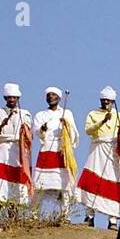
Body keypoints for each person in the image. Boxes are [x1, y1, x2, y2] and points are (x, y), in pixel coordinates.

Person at [74, 87, 120, 230]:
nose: (106, 102)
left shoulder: (119, 116)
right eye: (103, 100)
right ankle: (89, 217)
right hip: (97, 149)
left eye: (108, 100)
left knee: (114, 183)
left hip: (113, 152)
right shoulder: (93, 114)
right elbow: (88, 130)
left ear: (112, 101)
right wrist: (103, 121)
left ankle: (112, 221)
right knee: (91, 181)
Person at [0, 84, 33, 218]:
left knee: (14, 186)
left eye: (14, 97)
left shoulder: (25, 114)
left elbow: (29, 135)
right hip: (0, 150)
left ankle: (13, 219)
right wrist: (3, 123)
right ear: (5, 98)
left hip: (17, 152)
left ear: (18, 98)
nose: (11, 100)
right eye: (9, 97)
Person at [33, 87, 78, 219]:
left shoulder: (66, 113)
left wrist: (66, 125)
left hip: (62, 150)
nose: (50, 97)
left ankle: (65, 215)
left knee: (64, 184)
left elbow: (74, 133)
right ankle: (34, 215)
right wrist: (42, 129)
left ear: (59, 98)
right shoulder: (40, 115)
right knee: (40, 183)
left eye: (53, 95)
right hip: (46, 149)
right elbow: (36, 131)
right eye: (48, 95)